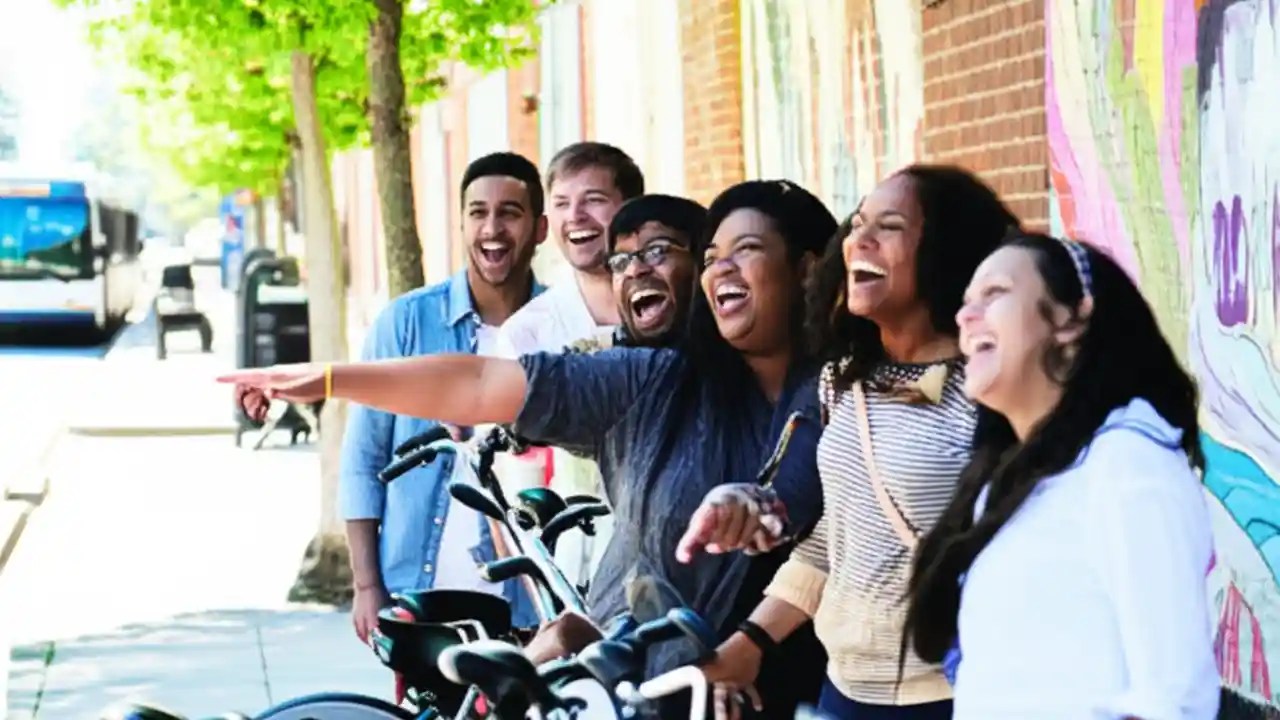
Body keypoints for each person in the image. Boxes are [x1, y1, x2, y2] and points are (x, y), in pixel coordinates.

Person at [220, 179, 834, 718]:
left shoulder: (848, 394)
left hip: (805, 688)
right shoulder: (652, 380)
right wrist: (332, 378)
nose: (720, 270)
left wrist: (745, 638)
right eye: (712, 256)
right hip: (650, 687)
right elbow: (482, 382)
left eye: (744, 252)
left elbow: (818, 533)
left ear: (807, 268)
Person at [678, 166, 1019, 720]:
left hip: (953, 695)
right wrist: (749, 644)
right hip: (844, 692)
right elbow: (836, 541)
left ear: (945, 248)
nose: (859, 240)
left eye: (889, 227)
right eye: (858, 224)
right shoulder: (842, 382)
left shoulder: (990, 391)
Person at [235, 152, 550, 642]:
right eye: (477, 212)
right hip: (419, 593)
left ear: (539, 228)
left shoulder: (556, 329)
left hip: (530, 602)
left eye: (510, 212)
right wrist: (366, 584)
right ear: (462, 223)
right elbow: (364, 457)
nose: (492, 228)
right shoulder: (406, 324)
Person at [902, 232, 1219, 719]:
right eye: (966, 302)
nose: (966, 317)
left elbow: (1173, 702)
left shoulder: (1128, 465)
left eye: (996, 294)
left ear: (1074, 318)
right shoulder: (1006, 483)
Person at [491, 142, 645, 592]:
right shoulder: (527, 334)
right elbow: (510, 474)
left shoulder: (671, 312)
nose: (575, 216)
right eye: (561, 203)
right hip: (572, 565)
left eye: (593, 200)